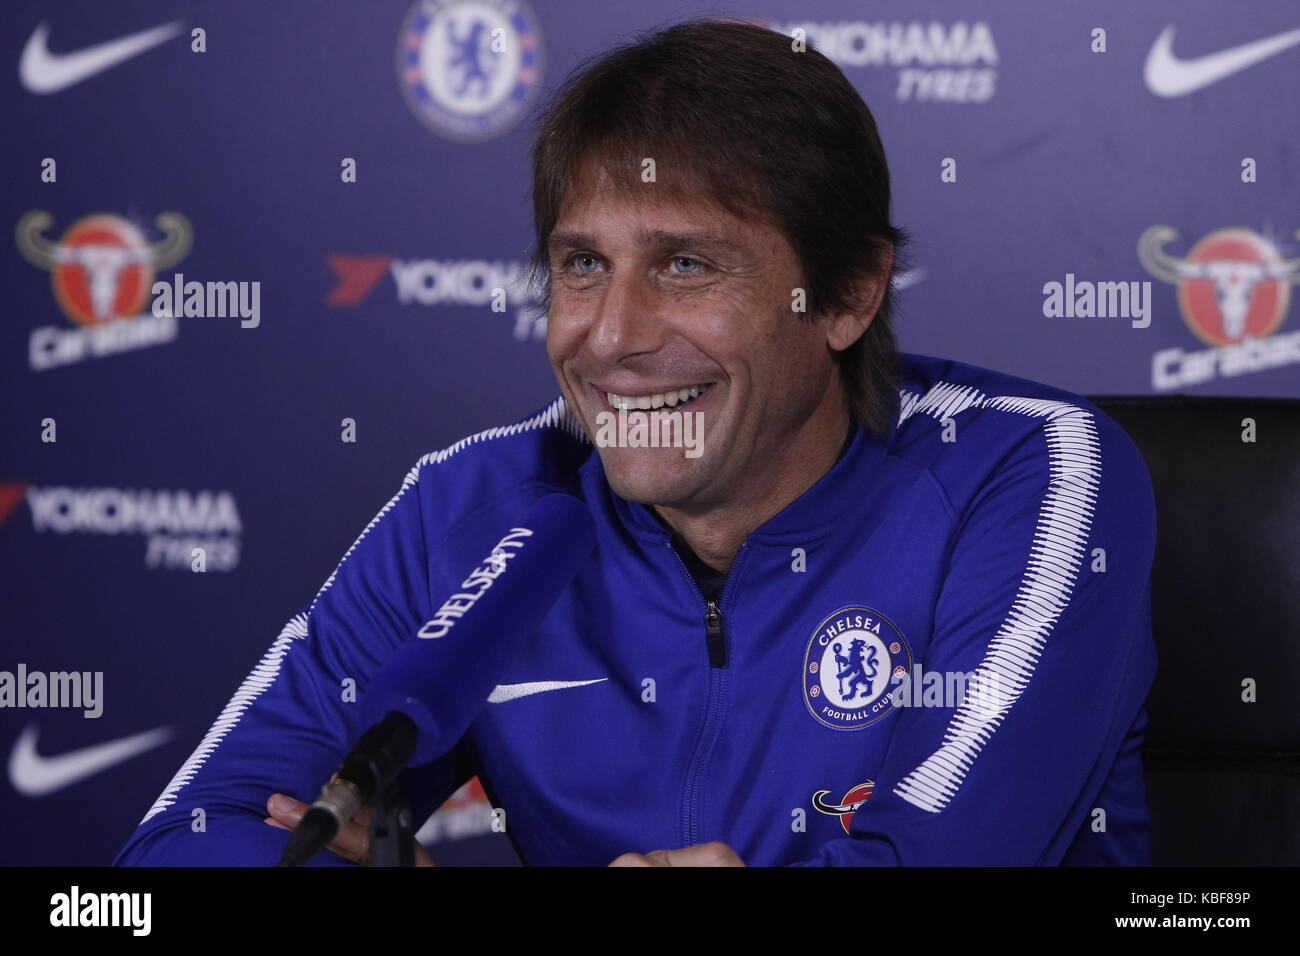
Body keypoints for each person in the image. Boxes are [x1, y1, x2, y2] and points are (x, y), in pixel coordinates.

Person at [114, 19, 1157, 867]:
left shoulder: (1029, 473)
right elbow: (182, 846)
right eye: (580, 265)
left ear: (846, 292)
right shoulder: (477, 505)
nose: (609, 336)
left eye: (686, 265)